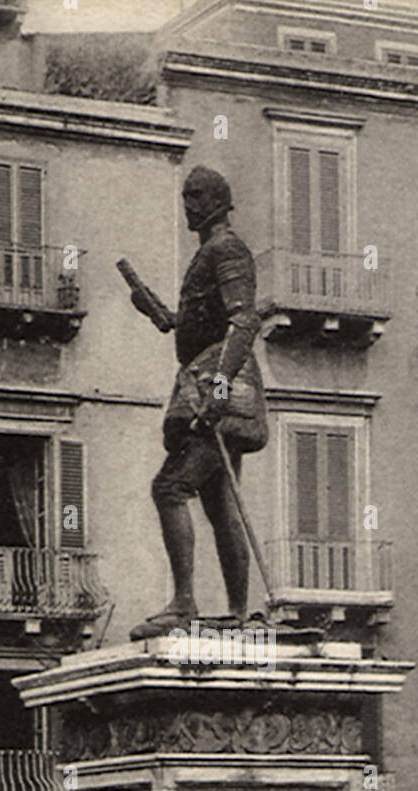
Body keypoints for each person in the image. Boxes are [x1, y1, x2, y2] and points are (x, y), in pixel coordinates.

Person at [126, 166, 268, 639]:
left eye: (197, 195)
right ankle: (239, 613)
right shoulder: (208, 252)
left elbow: (244, 322)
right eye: (185, 195)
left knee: (169, 488)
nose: (187, 204)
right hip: (208, 381)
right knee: (220, 502)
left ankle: (185, 603)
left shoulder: (226, 248)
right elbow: (193, 327)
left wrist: (219, 391)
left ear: (220, 202)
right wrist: (158, 313)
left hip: (220, 386)